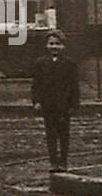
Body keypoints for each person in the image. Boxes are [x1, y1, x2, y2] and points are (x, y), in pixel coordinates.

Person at [31, 30, 80, 172]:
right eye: (51, 43)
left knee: (64, 134)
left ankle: (63, 162)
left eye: (58, 44)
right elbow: (36, 84)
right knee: (50, 134)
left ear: (63, 46)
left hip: (63, 104)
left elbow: (74, 85)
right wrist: (37, 101)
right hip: (48, 104)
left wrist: (74, 104)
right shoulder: (40, 63)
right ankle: (53, 162)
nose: (54, 47)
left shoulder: (70, 64)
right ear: (46, 45)